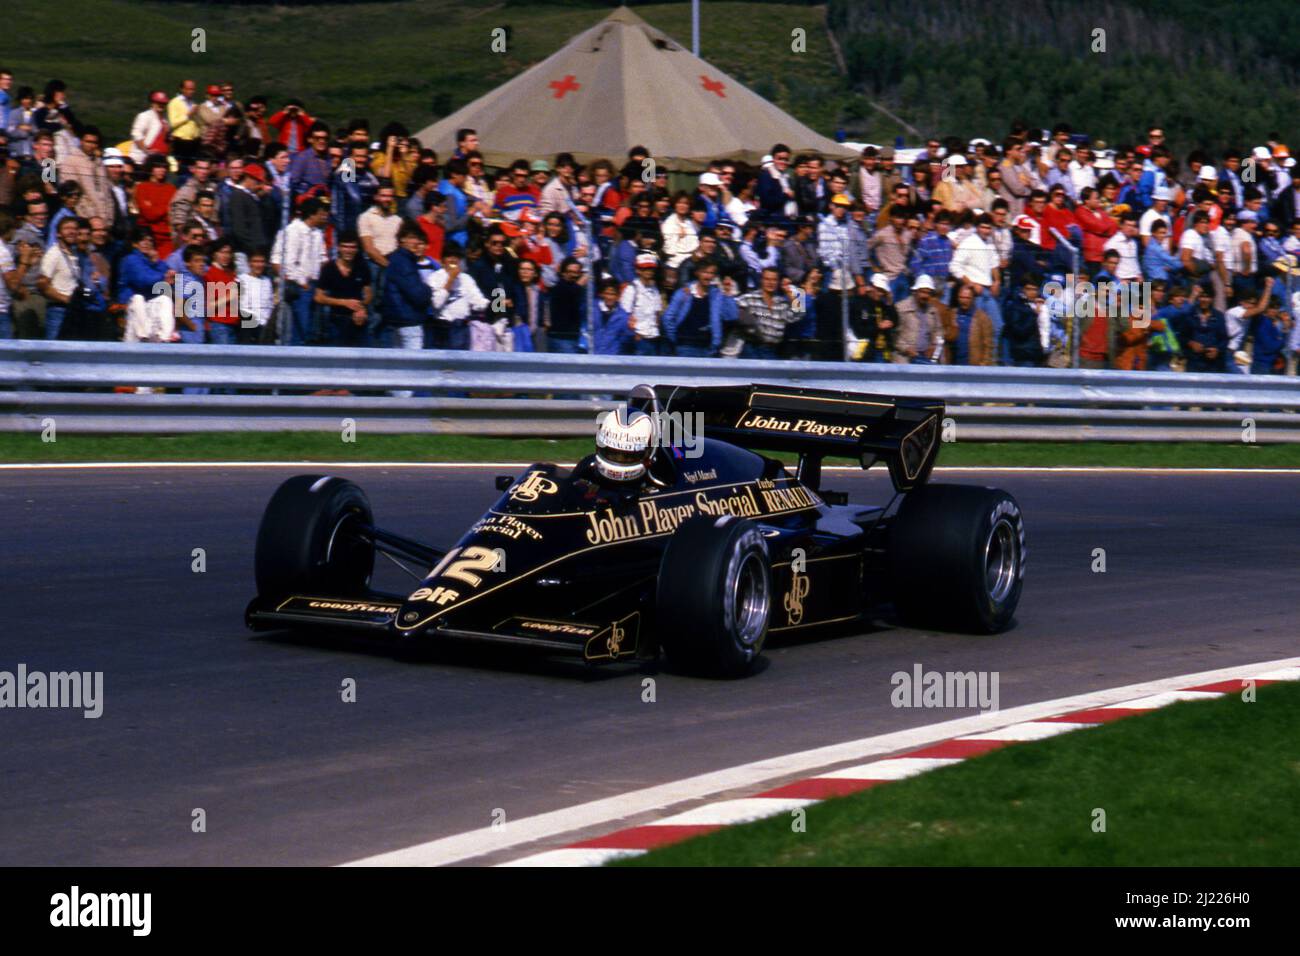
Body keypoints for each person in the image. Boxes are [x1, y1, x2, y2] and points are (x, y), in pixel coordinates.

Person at [662, 260, 737, 357]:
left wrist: (727, 294)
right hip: (685, 346)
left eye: (711, 273)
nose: (708, 276)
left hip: (708, 348)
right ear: (697, 273)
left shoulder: (716, 295)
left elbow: (731, 316)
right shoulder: (684, 293)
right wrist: (674, 338)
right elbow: (667, 318)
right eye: (705, 272)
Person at [591, 407, 655, 488]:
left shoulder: (657, 481)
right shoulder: (587, 470)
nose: (619, 459)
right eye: (612, 454)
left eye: (627, 457)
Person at [619, 251, 663, 355]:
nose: (649, 272)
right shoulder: (631, 289)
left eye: (651, 269)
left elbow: (657, 312)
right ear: (638, 270)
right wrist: (633, 334)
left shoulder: (655, 289)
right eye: (645, 269)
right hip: (638, 340)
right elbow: (624, 315)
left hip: (653, 337)